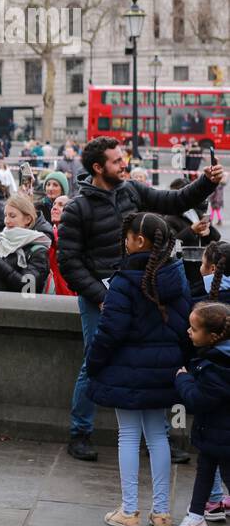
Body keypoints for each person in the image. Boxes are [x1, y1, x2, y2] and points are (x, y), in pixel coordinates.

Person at [58, 135, 222, 461]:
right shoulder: (78, 207)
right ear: (97, 167)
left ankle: (157, 437)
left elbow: (174, 200)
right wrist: (101, 296)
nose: (124, 164)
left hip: (142, 289)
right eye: (117, 161)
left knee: (153, 362)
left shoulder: (131, 190)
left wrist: (205, 182)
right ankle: (80, 432)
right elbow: (69, 262)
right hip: (102, 298)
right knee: (93, 361)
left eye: (123, 159)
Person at [85, 213, 192, 526]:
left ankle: (130, 510)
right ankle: (161, 514)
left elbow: (109, 332)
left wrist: (94, 363)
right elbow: (185, 324)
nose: (125, 241)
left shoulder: (124, 280)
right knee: (159, 435)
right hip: (164, 372)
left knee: (129, 436)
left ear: (140, 241)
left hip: (126, 371)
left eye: (128, 237)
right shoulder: (176, 277)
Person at [168, 302, 230, 526]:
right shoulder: (218, 359)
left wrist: (183, 379)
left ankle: (195, 518)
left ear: (213, 336)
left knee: (226, 474)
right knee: (204, 470)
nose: (188, 332)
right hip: (215, 431)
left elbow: (199, 400)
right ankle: (195, 518)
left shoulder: (218, 366)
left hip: (222, 433)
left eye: (193, 329)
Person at [0, 193, 50, 294]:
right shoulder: (0, 242)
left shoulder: (38, 250)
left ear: (28, 219)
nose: (6, 221)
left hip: (19, 308)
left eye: (12, 216)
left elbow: (28, 286)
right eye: (5, 215)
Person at [47, 195, 76, 297]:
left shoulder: (77, 236)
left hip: (70, 293)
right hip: (52, 291)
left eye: (60, 205)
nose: (54, 207)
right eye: (54, 204)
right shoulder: (49, 234)